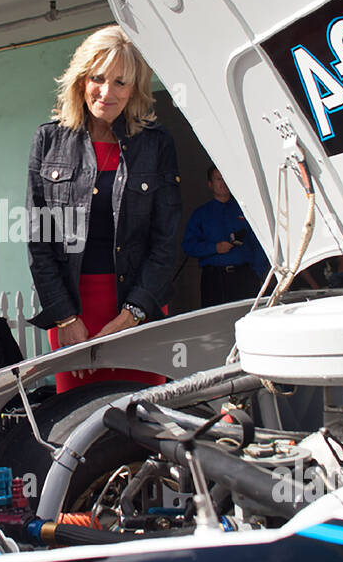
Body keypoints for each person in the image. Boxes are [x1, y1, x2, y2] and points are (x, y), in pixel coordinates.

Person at [26, 25, 182, 393]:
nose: (107, 92)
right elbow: (39, 241)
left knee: (143, 422)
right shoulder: (48, 141)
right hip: (72, 318)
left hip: (137, 312)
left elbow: (166, 242)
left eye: (120, 82)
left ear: (135, 89)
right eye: (97, 78)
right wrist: (66, 319)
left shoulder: (156, 145)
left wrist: (131, 317)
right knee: (78, 427)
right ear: (81, 79)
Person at [182, 166, 271, 307]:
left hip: (245, 277)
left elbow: (261, 243)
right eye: (218, 179)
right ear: (210, 184)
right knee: (216, 323)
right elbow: (188, 246)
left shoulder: (245, 210)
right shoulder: (201, 214)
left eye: (225, 178)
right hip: (214, 280)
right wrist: (215, 248)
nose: (223, 183)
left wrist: (257, 273)